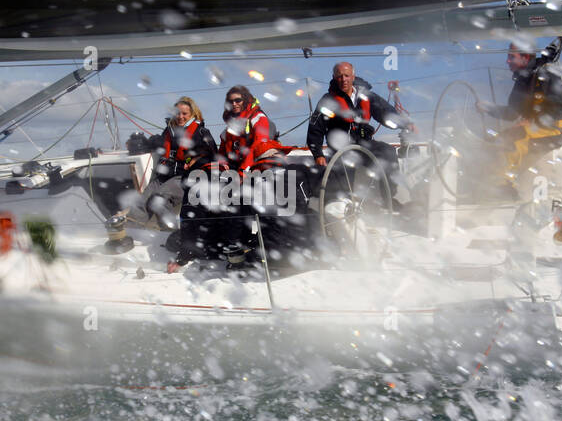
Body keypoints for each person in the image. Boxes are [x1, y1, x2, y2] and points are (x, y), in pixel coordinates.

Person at [168, 86, 287, 273]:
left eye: (238, 100)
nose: (234, 103)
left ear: (246, 99)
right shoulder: (228, 129)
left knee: (235, 201)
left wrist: (241, 173)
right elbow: (222, 155)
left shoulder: (258, 119)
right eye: (231, 101)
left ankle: (238, 249)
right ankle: (199, 246)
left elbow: (259, 146)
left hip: (259, 171)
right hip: (237, 173)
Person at [306, 61, 415, 201]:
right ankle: (345, 205)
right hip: (341, 149)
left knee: (387, 152)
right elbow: (316, 127)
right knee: (344, 170)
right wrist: (317, 154)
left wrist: (406, 124)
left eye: (346, 75)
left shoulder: (367, 97)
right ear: (334, 77)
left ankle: (389, 199)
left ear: (353, 76)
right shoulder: (328, 100)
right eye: (339, 76)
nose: (343, 79)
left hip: (365, 144)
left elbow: (386, 113)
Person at [479, 41, 562, 183]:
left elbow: (560, 109)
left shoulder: (547, 73)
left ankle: (504, 186)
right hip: (536, 126)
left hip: (555, 127)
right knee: (496, 139)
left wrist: (534, 121)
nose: (507, 61)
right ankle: (487, 181)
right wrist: (489, 108)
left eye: (511, 57)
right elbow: (513, 113)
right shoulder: (522, 80)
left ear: (525, 58)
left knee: (512, 138)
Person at [144, 97, 215, 229]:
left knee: (159, 199)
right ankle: (130, 230)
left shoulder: (201, 133)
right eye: (177, 113)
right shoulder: (168, 131)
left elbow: (211, 157)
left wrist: (191, 163)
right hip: (164, 175)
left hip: (185, 177)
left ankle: (171, 235)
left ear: (193, 114)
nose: (180, 117)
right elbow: (161, 147)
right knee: (142, 199)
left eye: (185, 114)